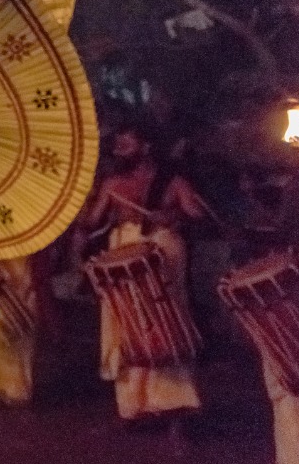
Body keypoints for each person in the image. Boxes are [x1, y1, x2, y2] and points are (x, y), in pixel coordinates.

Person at [78, 123, 206, 425]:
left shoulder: (173, 181)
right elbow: (92, 221)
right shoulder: (111, 184)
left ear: (146, 147)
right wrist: (81, 208)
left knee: (166, 318)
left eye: (126, 145)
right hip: (122, 249)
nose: (119, 151)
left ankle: (175, 401)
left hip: (163, 249)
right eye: (117, 146)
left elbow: (196, 215)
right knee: (126, 322)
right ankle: (135, 405)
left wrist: (173, 216)